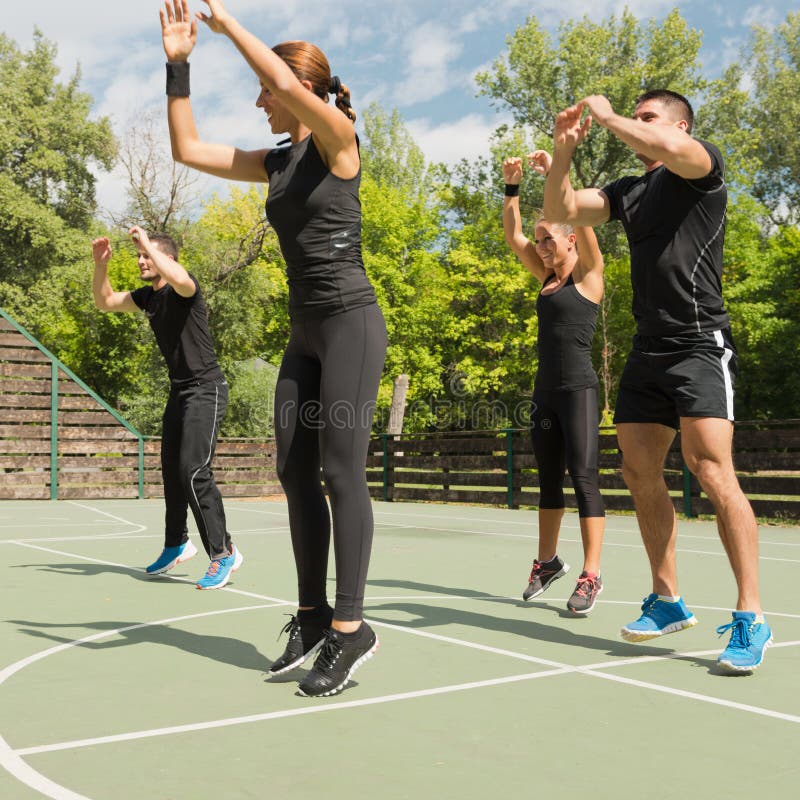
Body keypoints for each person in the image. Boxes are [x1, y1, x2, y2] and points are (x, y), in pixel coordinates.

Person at [160, 0, 386, 697]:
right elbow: (187, 150)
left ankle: (352, 630)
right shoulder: (279, 161)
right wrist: (178, 64)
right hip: (305, 333)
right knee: (293, 471)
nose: (259, 102)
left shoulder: (338, 139)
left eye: (265, 90)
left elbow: (286, 89)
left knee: (342, 473)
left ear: (304, 89)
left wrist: (228, 27)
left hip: (350, 322)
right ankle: (314, 617)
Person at [543, 89, 771, 672]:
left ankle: (751, 616)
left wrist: (608, 114)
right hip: (647, 348)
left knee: (712, 469)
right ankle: (667, 598)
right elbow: (564, 210)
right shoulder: (630, 190)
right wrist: (564, 152)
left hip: (700, 343)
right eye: (636, 116)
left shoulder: (700, 167)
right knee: (639, 470)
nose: (639, 127)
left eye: (649, 117)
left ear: (681, 125)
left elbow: (667, 147)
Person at [91, 227, 242, 589]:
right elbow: (105, 301)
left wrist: (148, 244)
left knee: (193, 470)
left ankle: (224, 553)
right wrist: (100, 266)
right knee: (172, 473)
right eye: (140, 255)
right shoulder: (148, 297)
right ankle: (177, 543)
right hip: (180, 392)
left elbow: (180, 276)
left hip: (207, 389)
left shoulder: (185, 290)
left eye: (147, 254)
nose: (141, 260)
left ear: (168, 260)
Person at [502, 149, 606, 615]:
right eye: (540, 241)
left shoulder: (588, 277)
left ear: (571, 241)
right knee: (547, 482)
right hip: (545, 395)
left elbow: (579, 214)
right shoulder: (544, 278)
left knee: (583, 478)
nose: (541, 246)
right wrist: (512, 188)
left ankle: (591, 574)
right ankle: (546, 562)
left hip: (579, 392)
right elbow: (513, 234)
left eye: (550, 239)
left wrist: (557, 175)